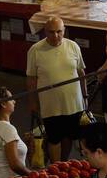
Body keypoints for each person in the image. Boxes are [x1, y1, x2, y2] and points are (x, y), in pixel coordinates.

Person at [26, 16, 87, 163]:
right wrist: (33, 103)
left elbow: (81, 73)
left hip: (74, 104)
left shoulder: (73, 46)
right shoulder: (35, 50)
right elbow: (31, 79)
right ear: (45, 32)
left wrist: (85, 96)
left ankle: (63, 163)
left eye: (59, 31)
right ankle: (55, 167)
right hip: (50, 105)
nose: (55, 36)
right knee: (54, 138)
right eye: (51, 32)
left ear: (64, 31)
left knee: (69, 137)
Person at [0, 87, 30, 178]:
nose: (14, 101)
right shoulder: (7, 129)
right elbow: (14, 164)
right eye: (11, 99)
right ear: (3, 103)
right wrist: (34, 175)